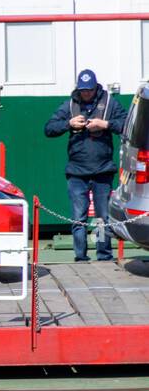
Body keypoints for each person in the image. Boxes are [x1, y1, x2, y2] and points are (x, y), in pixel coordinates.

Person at [44, 68, 127, 262]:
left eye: (89, 90)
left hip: (103, 171)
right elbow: (48, 129)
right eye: (83, 90)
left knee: (102, 219)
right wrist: (69, 124)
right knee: (78, 219)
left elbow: (126, 124)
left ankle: (104, 255)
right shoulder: (69, 106)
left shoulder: (110, 104)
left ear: (95, 87)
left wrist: (104, 125)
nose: (86, 93)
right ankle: (80, 257)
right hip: (76, 172)